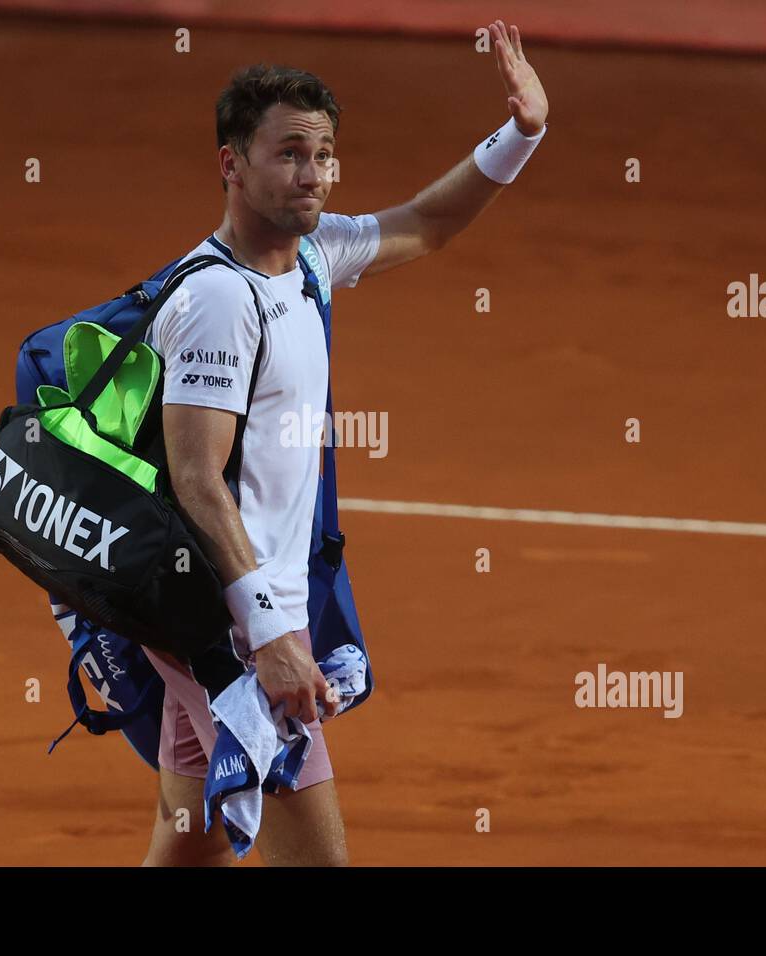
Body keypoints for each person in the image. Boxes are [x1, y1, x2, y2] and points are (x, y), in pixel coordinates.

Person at [121, 19, 547, 867]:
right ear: (230, 164)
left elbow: (428, 222)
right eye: (288, 154)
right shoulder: (218, 301)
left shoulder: (311, 259)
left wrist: (522, 132)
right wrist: (272, 636)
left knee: (191, 849)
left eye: (322, 155)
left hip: (219, 609)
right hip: (226, 622)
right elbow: (197, 478)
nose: (311, 174)